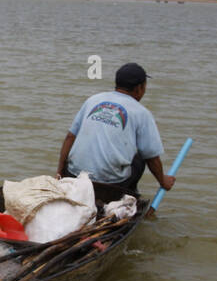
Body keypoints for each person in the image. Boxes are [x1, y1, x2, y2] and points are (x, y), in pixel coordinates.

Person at [57, 62, 176, 195]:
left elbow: (70, 137)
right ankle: (128, 193)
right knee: (141, 156)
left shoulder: (93, 100)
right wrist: (163, 182)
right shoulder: (142, 113)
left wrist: (60, 173)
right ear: (139, 88)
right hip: (110, 184)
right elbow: (152, 157)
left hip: (73, 176)